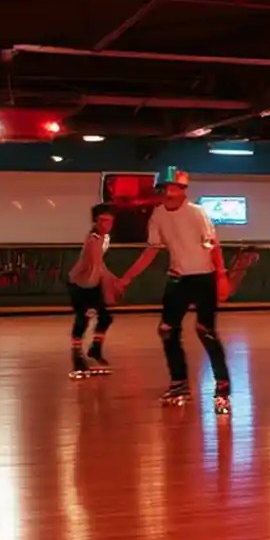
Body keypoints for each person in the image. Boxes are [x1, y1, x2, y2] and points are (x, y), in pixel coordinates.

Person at [120, 167, 235, 414]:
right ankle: (179, 382)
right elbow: (152, 249)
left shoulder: (196, 213)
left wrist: (222, 276)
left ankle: (222, 386)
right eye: (165, 189)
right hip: (177, 278)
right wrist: (127, 277)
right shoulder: (158, 215)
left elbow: (213, 245)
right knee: (166, 330)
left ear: (183, 191)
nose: (169, 194)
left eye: (175, 189)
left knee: (205, 330)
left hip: (203, 277)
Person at [68, 204, 120, 378]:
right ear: (95, 221)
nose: (107, 224)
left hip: (93, 283)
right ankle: (77, 356)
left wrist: (113, 279)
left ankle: (95, 349)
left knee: (105, 317)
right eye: (103, 220)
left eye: (110, 221)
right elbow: (96, 265)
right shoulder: (93, 240)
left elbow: (101, 265)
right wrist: (110, 288)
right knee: (83, 319)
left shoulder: (104, 238)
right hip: (80, 284)